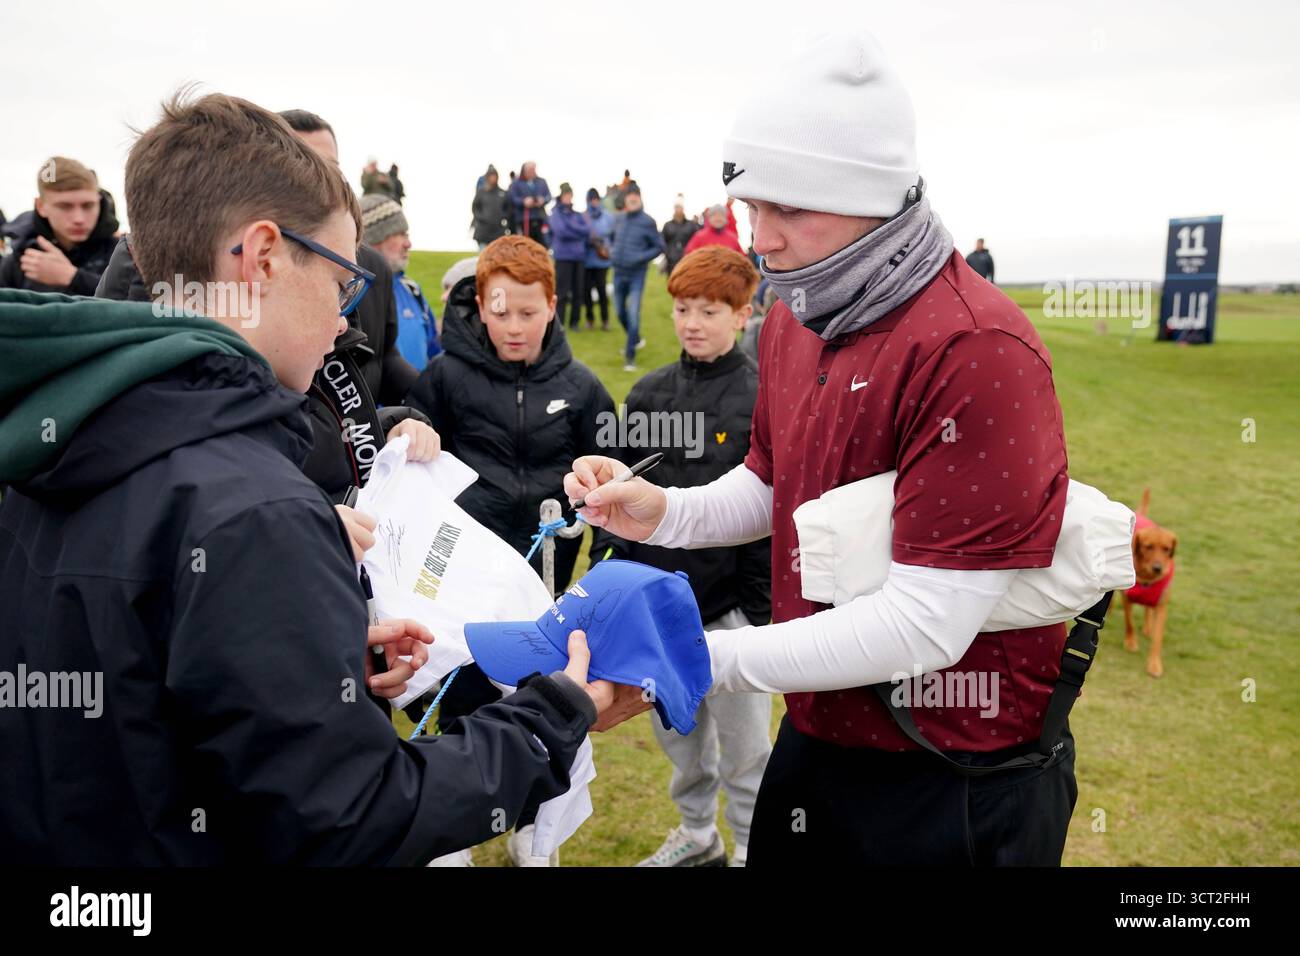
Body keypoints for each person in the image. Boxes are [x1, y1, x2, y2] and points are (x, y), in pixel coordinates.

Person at [0, 91, 648, 866]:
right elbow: (351, 819)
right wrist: (553, 714)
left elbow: (130, 687)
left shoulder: (61, 435)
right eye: (342, 282)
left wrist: (314, 660)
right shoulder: (252, 506)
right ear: (265, 256)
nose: (345, 320)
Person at [567, 31, 1078, 868]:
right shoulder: (797, 315)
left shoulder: (979, 348)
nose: (758, 237)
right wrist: (664, 513)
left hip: (955, 769)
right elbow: (775, 483)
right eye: (748, 203)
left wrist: (695, 659)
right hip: (821, 733)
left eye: (789, 207)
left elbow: (924, 626)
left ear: (873, 196)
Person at [404, 235, 616, 865]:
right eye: (501, 312)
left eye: (528, 312)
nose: (514, 326)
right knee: (461, 700)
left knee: (543, 703)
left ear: (552, 305)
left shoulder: (583, 388)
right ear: (480, 305)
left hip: (545, 582)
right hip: (461, 587)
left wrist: (603, 554)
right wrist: (408, 428)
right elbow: (411, 464)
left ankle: (534, 829)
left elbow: (617, 477)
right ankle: (454, 838)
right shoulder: (442, 377)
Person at [590, 246, 773, 868]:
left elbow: (773, 514)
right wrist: (609, 588)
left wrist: (757, 610)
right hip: (662, 614)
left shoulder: (763, 396)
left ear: (742, 315)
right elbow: (620, 504)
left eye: (710, 310)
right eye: (682, 309)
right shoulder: (646, 395)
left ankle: (752, 844)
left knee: (748, 746)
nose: (693, 322)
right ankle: (699, 835)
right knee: (679, 737)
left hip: (732, 613)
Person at [0, 157, 118, 294]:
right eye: (64, 206)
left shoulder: (121, 252)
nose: (78, 219)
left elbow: (138, 303)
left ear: (99, 201)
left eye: (88, 206)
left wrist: (73, 277)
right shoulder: (19, 258)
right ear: (41, 206)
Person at [362, 193, 442, 369]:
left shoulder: (412, 290)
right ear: (374, 239)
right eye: (400, 234)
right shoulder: (353, 294)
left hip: (419, 395)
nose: (408, 244)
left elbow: (434, 350)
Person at [609, 184, 665, 372]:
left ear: (640, 198)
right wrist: (612, 251)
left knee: (633, 315)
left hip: (636, 275)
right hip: (618, 272)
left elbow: (658, 247)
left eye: (635, 195)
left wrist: (638, 258)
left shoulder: (648, 221)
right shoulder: (619, 219)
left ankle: (630, 356)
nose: (632, 198)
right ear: (625, 199)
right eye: (629, 195)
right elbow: (610, 238)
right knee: (619, 312)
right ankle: (636, 339)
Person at [548, 182, 589, 332]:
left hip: (578, 256)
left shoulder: (577, 214)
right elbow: (561, 232)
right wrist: (576, 230)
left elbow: (586, 230)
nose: (568, 197)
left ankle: (575, 322)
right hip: (563, 257)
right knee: (562, 292)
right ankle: (559, 323)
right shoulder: (555, 214)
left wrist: (571, 227)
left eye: (570, 195)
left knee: (578, 291)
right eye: (566, 194)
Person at [583, 187, 615, 330]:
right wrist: (588, 241)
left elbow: (613, 236)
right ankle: (590, 319)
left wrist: (608, 247)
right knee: (587, 291)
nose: (594, 202)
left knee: (602, 290)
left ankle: (605, 320)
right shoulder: (583, 217)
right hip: (587, 259)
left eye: (596, 199)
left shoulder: (608, 217)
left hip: (602, 259)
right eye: (591, 200)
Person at [507, 161, 551, 246]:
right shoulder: (516, 183)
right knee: (525, 244)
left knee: (542, 245)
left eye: (534, 170)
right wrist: (523, 201)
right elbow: (511, 198)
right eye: (530, 170)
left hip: (540, 218)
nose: (533, 172)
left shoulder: (542, 181)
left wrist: (543, 200)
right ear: (524, 170)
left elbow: (548, 196)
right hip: (524, 220)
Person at [472, 166, 512, 249]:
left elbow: (508, 209)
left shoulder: (502, 193)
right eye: (491, 176)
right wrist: (482, 218)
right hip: (483, 231)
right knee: (484, 256)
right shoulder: (481, 192)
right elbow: (475, 207)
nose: (493, 178)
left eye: (494, 176)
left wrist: (502, 217)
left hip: (498, 231)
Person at [661, 196, 700, 276]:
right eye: (676, 207)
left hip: (687, 260)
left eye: (680, 207)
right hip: (671, 261)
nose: (678, 209)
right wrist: (668, 254)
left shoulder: (691, 225)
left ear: (683, 208)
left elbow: (696, 240)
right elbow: (662, 241)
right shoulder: (668, 225)